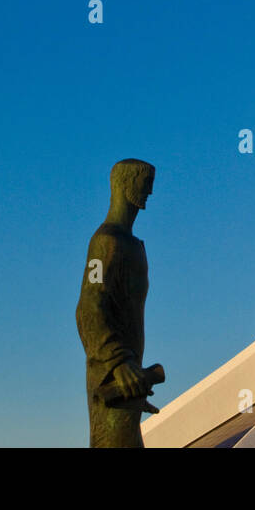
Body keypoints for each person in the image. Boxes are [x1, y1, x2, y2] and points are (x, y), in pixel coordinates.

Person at [76, 159, 158, 447]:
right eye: (145, 181)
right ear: (124, 184)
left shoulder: (133, 245)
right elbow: (89, 305)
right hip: (111, 375)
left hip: (127, 383)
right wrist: (118, 361)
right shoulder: (105, 242)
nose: (150, 190)